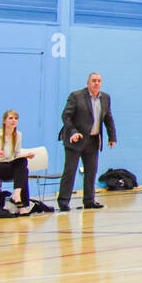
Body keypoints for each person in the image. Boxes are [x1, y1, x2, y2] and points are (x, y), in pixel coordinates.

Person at [57, 71, 116, 212]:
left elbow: (108, 118)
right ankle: (63, 202)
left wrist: (112, 137)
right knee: (69, 171)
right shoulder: (76, 96)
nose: (96, 83)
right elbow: (66, 116)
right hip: (75, 139)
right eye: (94, 80)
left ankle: (89, 201)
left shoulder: (105, 98)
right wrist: (73, 132)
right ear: (88, 83)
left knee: (91, 171)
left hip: (93, 140)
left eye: (99, 81)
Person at [0, 110, 34, 209]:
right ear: (4, 121)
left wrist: (26, 155)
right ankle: (23, 206)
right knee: (23, 171)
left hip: (6, 166)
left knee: (23, 162)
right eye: (10, 118)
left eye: (16, 118)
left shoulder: (18, 135)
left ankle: (17, 194)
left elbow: (16, 155)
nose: (13, 121)